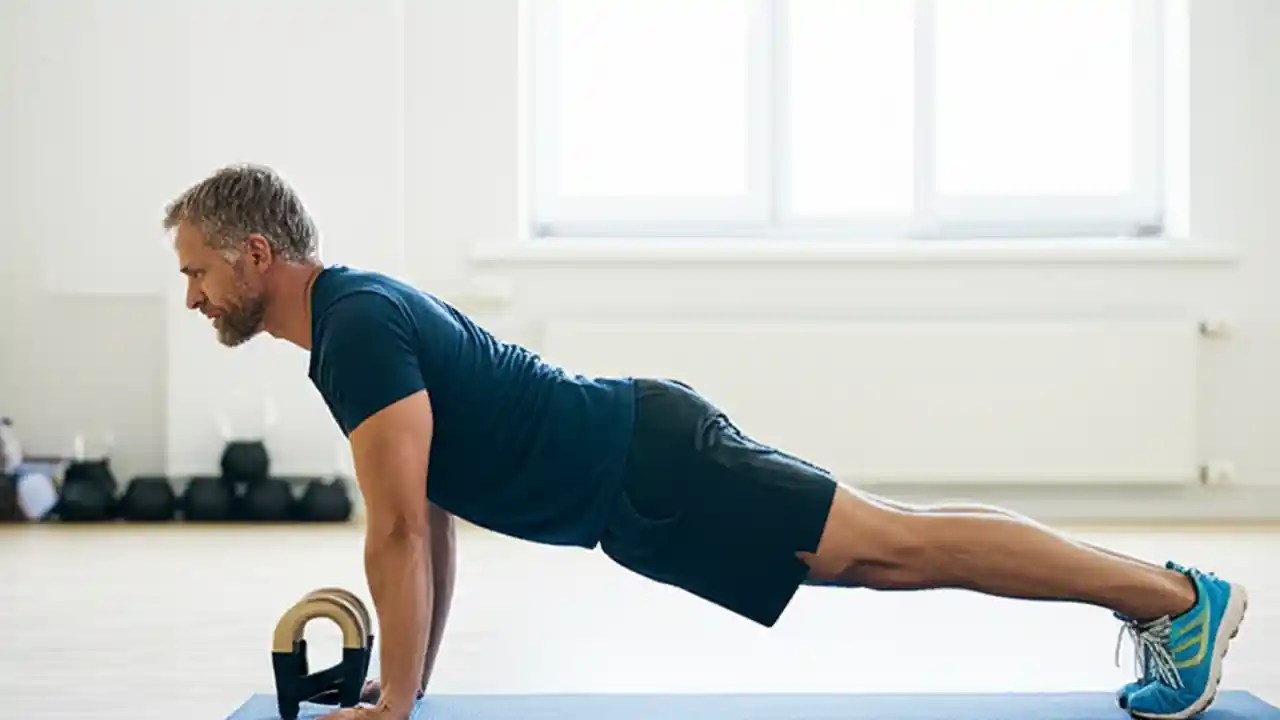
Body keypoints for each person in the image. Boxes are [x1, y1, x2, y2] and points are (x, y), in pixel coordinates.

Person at [164, 164, 1247, 720]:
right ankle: (1162, 597)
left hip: (650, 464)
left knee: (897, 548)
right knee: (896, 545)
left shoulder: (353, 330)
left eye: (197, 271)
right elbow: (430, 516)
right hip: (640, 479)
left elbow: (397, 530)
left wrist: (394, 703)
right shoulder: (352, 324)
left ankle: (1170, 600)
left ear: (256, 253)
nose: (192, 295)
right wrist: (410, 693)